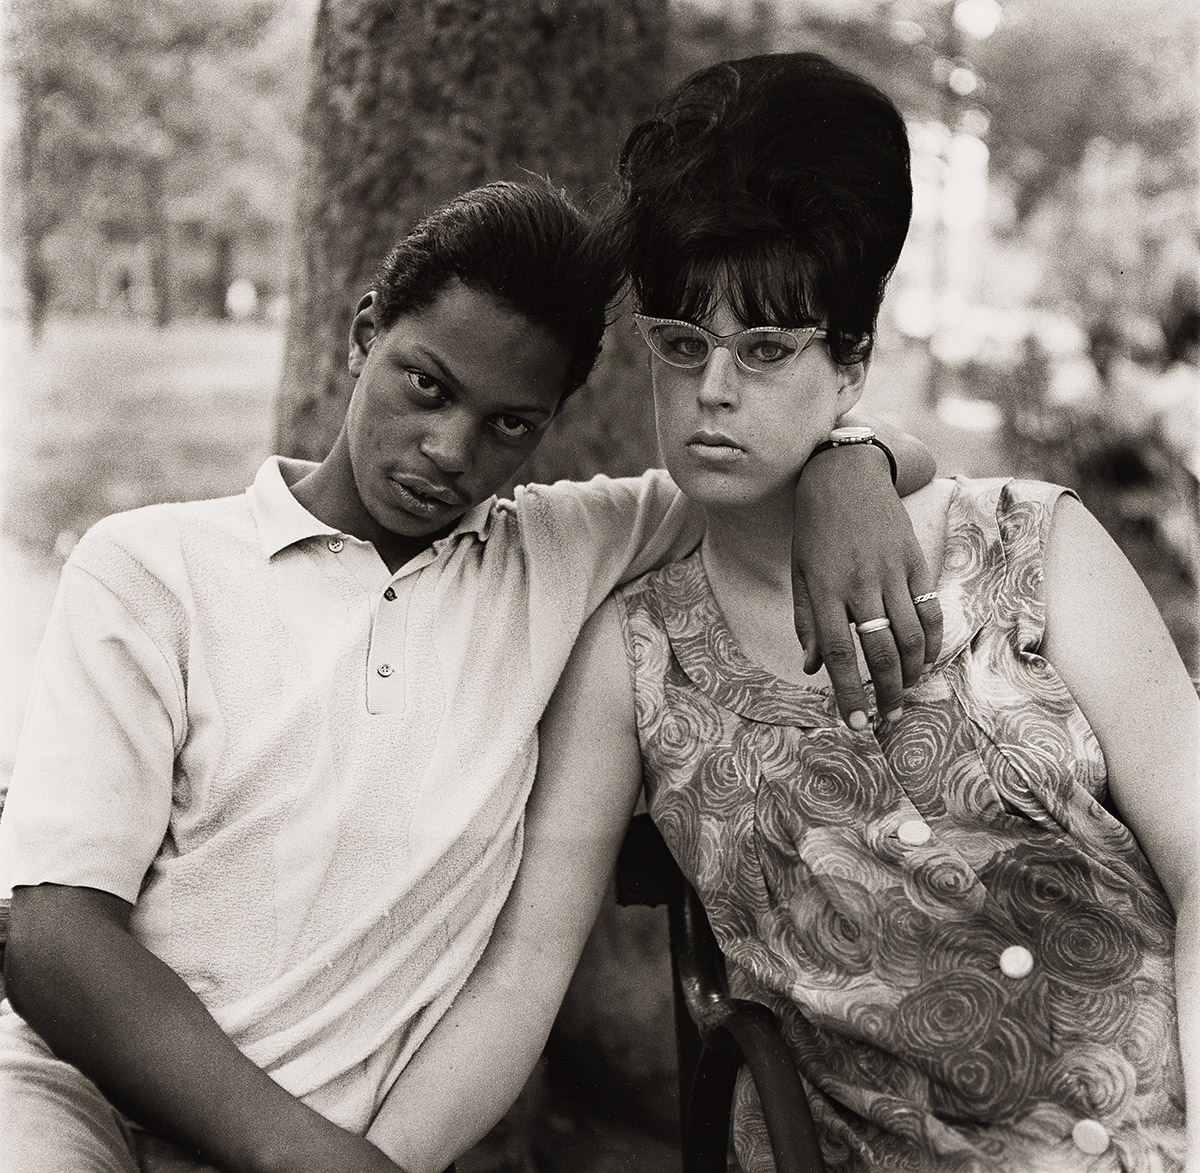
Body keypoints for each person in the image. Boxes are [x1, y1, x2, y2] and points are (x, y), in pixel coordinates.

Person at [0, 178, 941, 1172]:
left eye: (510, 426)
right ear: (366, 331)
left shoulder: (563, 550)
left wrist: (851, 459)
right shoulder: (153, 568)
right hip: (84, 1107)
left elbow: (787, 463)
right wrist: (316, 1162)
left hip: (343, 1136)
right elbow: (53, 931)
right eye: (427, 386)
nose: (448, 451)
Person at [536, 54, 1198, 1172]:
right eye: (681, 346)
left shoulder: (1033, 546)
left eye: (765, 349)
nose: (714, 392)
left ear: (853, 363)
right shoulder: (636, 657)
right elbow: (524, 964)